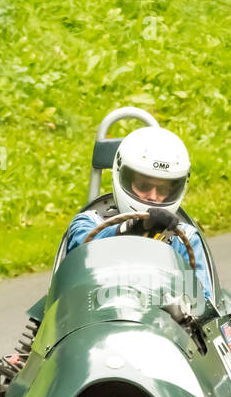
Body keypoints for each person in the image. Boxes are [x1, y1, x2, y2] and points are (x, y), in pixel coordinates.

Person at [61, 125, 213, 301]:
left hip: (161, 323)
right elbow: (83, 250)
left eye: (162, 189)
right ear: (123, 177)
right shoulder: (88, 222)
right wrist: (133, 229)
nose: (153, 197)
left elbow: (204, 303)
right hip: (95, 317)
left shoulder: (185, 238)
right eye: (143, 186)